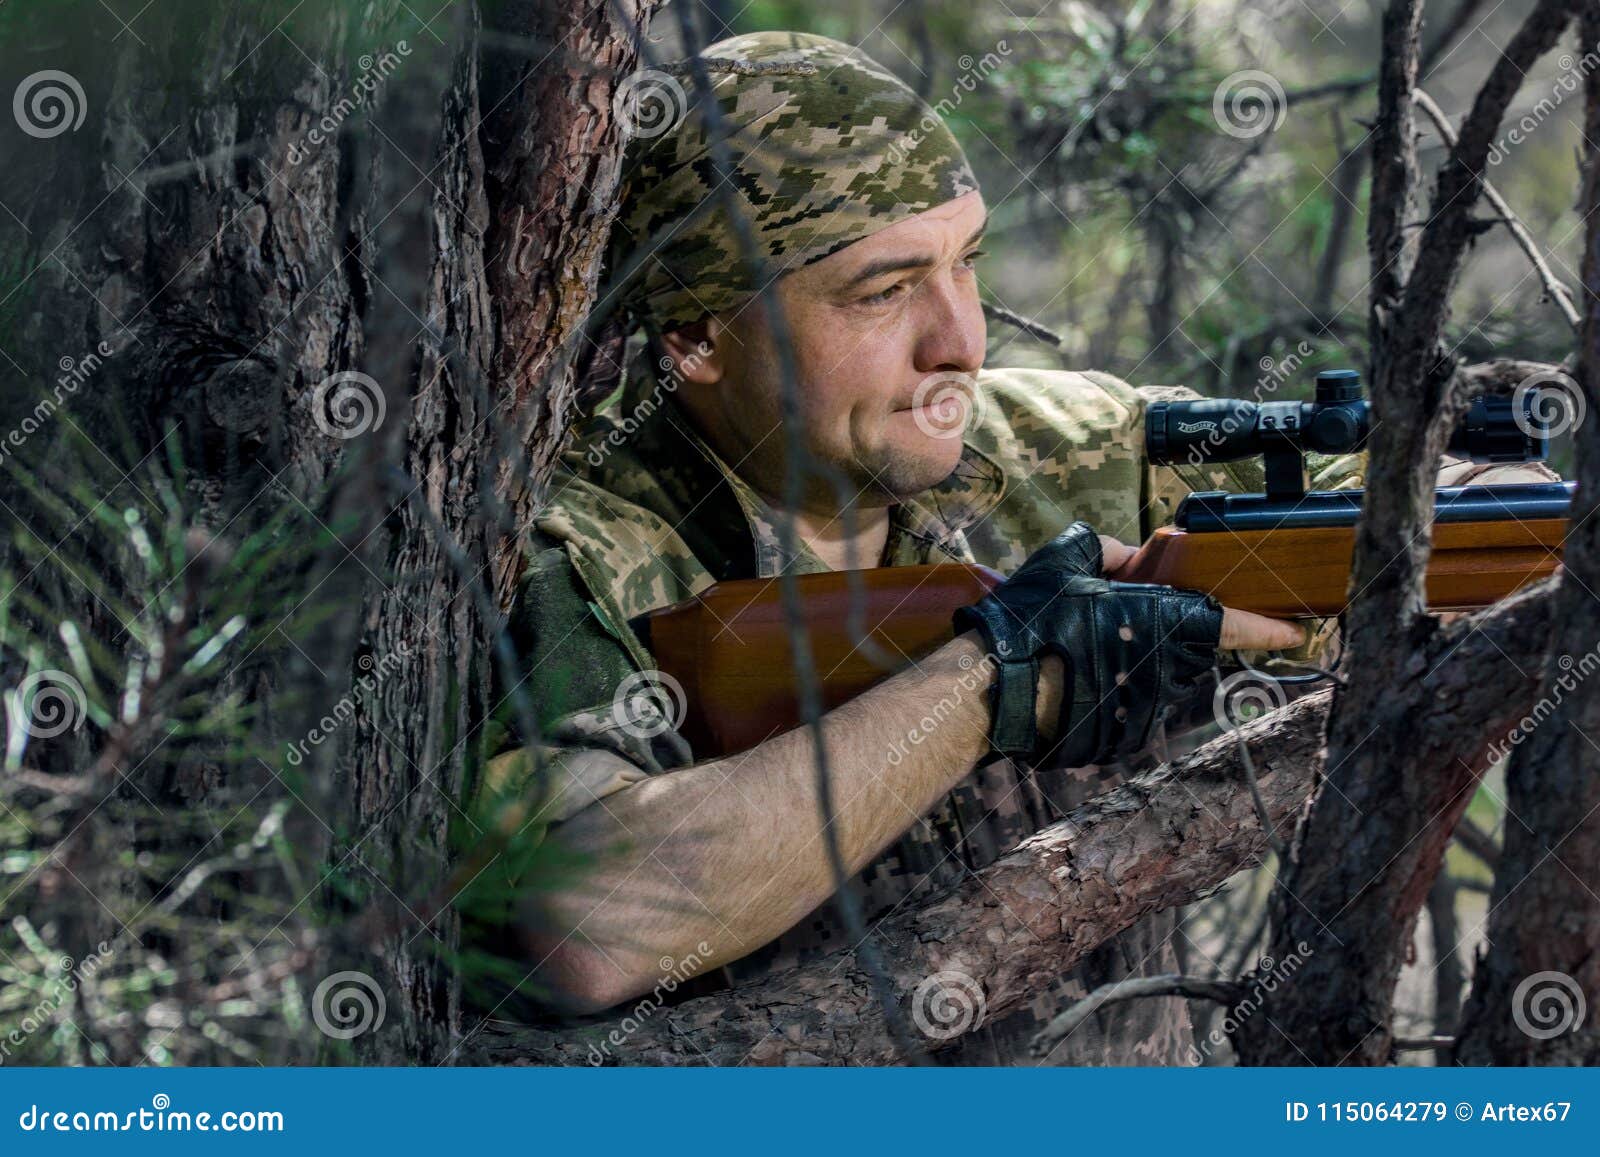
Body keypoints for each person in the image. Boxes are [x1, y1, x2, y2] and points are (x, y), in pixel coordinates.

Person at [480, 30, 1559, 1064]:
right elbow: (593, 923)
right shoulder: (590, 551)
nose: (959, 339)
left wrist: (1518, 511)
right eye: (885, 289)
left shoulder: (1046, 445)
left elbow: (1429, 511)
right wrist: (993, 679)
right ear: (695, 337)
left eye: (967, 263)